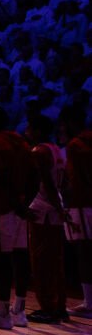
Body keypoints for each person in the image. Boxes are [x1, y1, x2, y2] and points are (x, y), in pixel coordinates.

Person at [0, 107, 35, 329]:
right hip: (21, 207)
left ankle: (3, 312)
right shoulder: (21, 142)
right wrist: (26, 204)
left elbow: (1, 177)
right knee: (21, 256)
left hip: (2, 207)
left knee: (2, 260)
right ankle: (19, 310)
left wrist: (15, 204)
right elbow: (35, 176)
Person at [25, 114, 70, 324]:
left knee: (41, 261)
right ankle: (59, 306)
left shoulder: (39, 151)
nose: (26, 131)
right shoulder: (56, 149)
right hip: (54, 207)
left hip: (44, 210)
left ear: (37, 131)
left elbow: (46, 184)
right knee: (56, 261)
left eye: (30, 128)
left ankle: (48, 308)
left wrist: (58, 208)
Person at [65, 109, 92, 317]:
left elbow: (77, 178)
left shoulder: (75, 145)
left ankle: (89, 303)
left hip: (82, 203)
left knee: (84, 251)